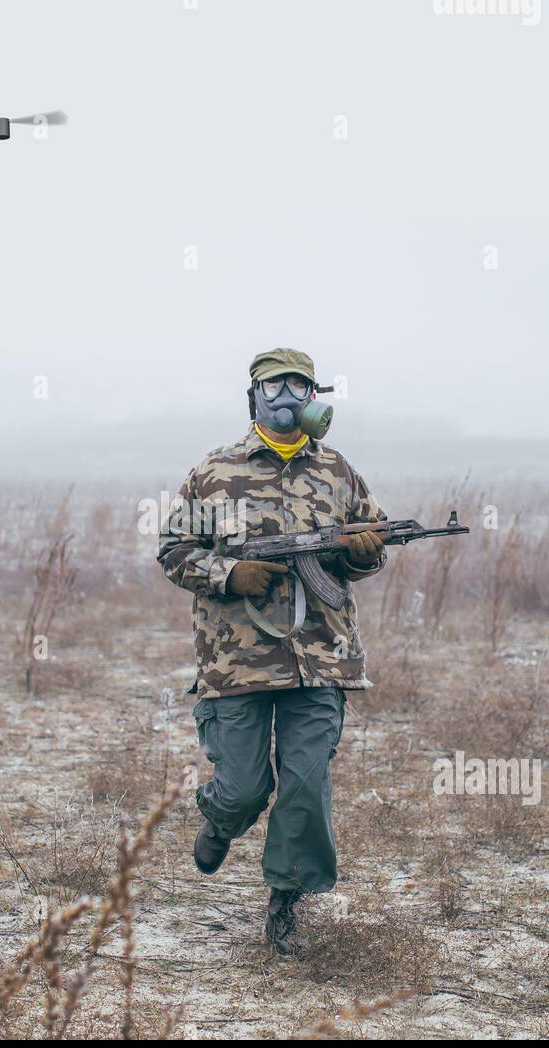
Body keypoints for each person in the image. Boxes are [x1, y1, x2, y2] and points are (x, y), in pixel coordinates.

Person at [157, 347, 387, 954]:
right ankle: (220, 819)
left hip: (322, 657)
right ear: (254, 396)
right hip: (238, 661)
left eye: (302, 388)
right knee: (244, 788)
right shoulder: (214, 472)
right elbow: (174, 553)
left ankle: (286, 902)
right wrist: (231, 575)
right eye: (276, 387)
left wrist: (364, 552)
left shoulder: (338, 471)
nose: (289, 399)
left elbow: (373, 543)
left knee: (306, 785)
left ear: (317, 399)